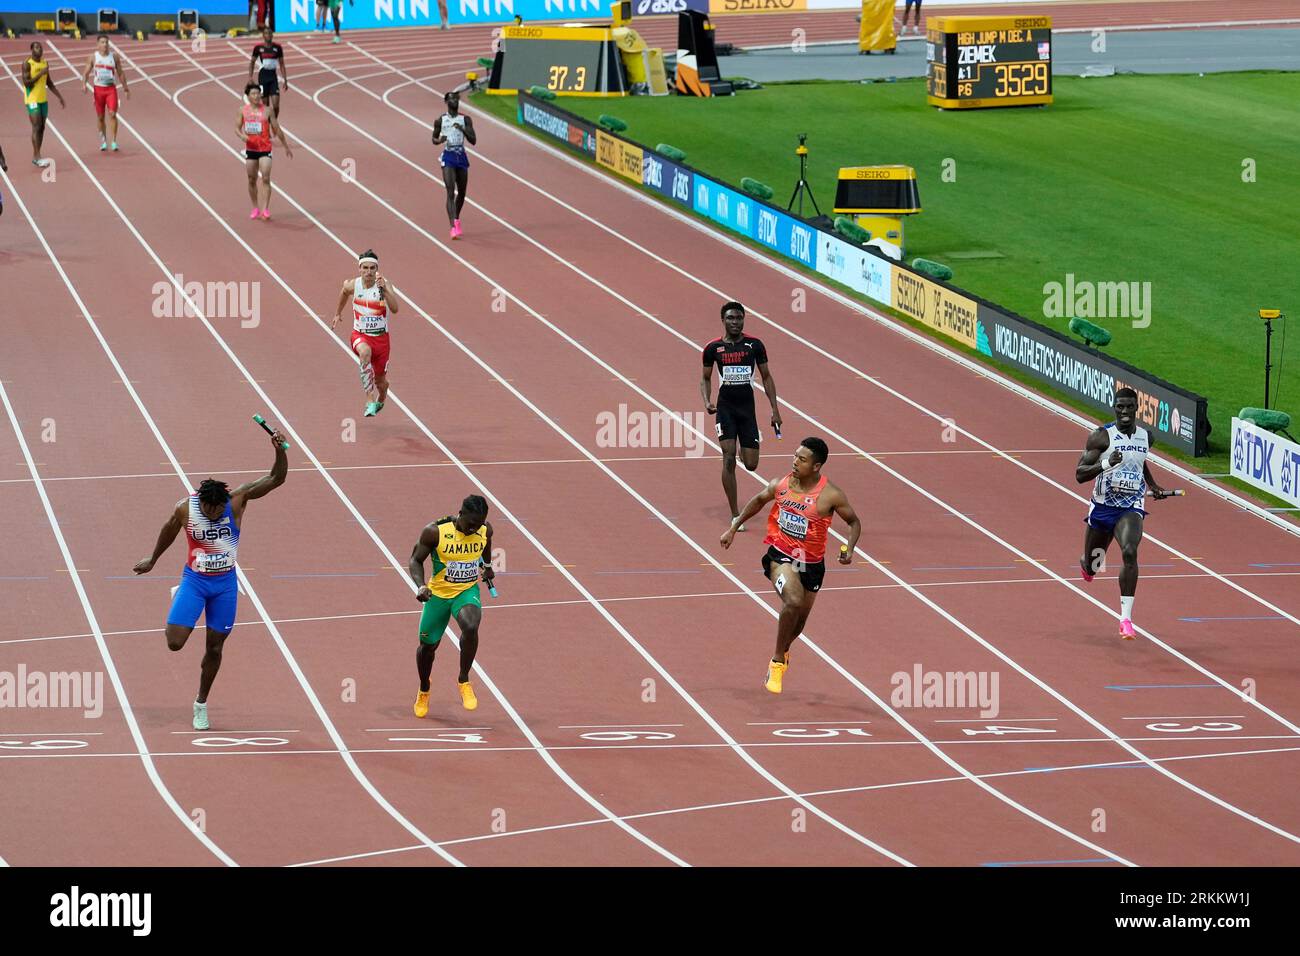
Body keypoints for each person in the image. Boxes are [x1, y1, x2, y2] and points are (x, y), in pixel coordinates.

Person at [132, 428, 288, 730]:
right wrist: (153, 558)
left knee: (215, 647)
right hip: (195, 580)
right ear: (200, 503)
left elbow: (275, 479)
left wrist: (280, 450)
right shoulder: (185, 508)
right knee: (174, 643)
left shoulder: (237, 500)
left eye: (218, 510)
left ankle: (200, 704)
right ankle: (182, 596)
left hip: (225, 585)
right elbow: (168, 530)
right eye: (209, 510)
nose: (214, 514)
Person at [720, 438, 859, 694]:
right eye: (795, 456)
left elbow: (854, 522)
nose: (795, 462)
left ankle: (784, 650)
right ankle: (777, 661)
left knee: (799, 623)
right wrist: (733, 528)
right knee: (792, 602)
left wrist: (849, 549)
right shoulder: (781, 485)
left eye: (802, 460)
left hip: (813, 565)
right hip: (780, 556)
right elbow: (759, 501)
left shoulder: (831, 495)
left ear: (816, 466)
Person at [1076, 387, 1170, 639]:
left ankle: (1125, 619)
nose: (1125, 411)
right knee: (1093, 565)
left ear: (1137, 408)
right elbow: (1079, 474)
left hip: (1130, 506)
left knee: (1129, 551)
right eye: (1120, 407)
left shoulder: (1146, 437)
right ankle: (1087, 565)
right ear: (1114, 408)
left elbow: (1138, 461)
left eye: (1130, 406)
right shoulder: (1101, 437)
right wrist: (1107, 463)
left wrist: (1152, 485)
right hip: (1103, 508)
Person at [408, 495, 495, 714]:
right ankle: (424, 688)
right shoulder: (435, 531)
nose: (474, 529)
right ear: (461, 513)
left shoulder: (484, 530)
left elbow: (485, 544)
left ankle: (464, 679)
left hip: (466, 591)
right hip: (438, 594)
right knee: (427, 647)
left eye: (479, 524)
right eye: (470, 523)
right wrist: (420, 586)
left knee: (471, 625)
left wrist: (487, 566)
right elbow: (415, 559)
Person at [700, 301, 781, 529]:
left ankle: (744, 451)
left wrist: (775, 410)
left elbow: (766, 377)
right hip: (725, 409)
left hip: (747, 410)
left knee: (751, 464)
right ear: (723, 320)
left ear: (743, 319)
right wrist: (707, 400)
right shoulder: (713, 349)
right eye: (730, 318)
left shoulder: (754, 346)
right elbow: (705, 378)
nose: (735, 322)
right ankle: (736, 514)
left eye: (739, 318)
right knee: (728, 457)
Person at [331, 249, 402, 417]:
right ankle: (369, 399)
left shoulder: (384, 284)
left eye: (372, 268)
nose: (369, 272)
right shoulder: (353, 285)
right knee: (364, 352)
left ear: (376, 269)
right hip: (360, 335)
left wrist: (384, 290)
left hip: (381, 340)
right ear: (360, 269)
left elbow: (395, 309)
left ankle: (382, 396)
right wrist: (337, 313)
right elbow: (343, 292)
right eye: (365, 268)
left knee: (381, 382)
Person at [236, 83, 292, 221]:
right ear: (248, 96)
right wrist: (241, 135)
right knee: (251, 179)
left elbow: (277, 128)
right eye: (253, 94)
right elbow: (236, 128)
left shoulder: (267, 111)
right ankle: (255, 207)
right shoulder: (242, 110)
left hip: (265, 148)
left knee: (266, 177)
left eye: (258, 93)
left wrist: (285, 145)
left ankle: (265, 209)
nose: (256, 96)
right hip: (251, 149)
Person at [431, 90, 475, 239]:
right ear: (446, 102)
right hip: (448, 156)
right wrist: (440, 140)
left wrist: (463, 129)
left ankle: (456, 218)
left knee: (462, 192)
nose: (455, 101)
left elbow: (473, 140)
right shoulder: (440, 120)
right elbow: (433, 139)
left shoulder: (466, 119)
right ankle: (453, 226)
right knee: (450, 192)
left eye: (456, 99)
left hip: (461, 156)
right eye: (451, 99)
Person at [81, 36, 130, 152]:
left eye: (107, 42)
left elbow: (121, 73)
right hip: (98, 90)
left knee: (112, 114)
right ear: (97, 45)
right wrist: (84, 84)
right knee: (100, 117)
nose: (105, 44)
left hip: (110, 90)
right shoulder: (93, 57)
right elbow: (86, 73)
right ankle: (103, 141)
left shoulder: (114, 57)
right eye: (102, 42)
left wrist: (126, 88)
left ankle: (114, 141)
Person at [21, 42, 65, 168]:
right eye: (36, 47)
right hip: (32, 99)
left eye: (41, 47)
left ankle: (36, 156)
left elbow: (49, 82)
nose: (39, 49)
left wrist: (59, 96)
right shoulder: (27, 64)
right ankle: (37, 156)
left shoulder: (45, 63)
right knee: (36, 126)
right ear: (31, 50)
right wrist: (40, 73)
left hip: (43, 100)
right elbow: (27, 83)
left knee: (42, 128)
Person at [247, 28, 287, 119]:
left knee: (276, 105)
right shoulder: (258, 48)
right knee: (266, 105)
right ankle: (267, 124)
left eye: (269, 33)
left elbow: (281, 64)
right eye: (266, 33)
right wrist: (250, 77)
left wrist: (285, 79)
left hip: (273, 76)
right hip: (263, 76)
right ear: (263, 36)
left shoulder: (277, 48)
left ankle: (274, 121)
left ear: (272, 35)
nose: (268, 35)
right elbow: (252, 62)